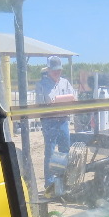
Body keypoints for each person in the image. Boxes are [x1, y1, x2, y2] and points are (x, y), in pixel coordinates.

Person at [36, 56, 76, 192]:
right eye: (54, 70)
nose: (57, 73)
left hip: (63, 120)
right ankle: (50, 184)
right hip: (50, 121)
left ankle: (63, 180)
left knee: (65, 150)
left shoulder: (65, 83)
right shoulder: (41, 84)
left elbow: (73, 97)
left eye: (59, 70)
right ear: (48, 70)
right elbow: (41, 103)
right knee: (51, 152)